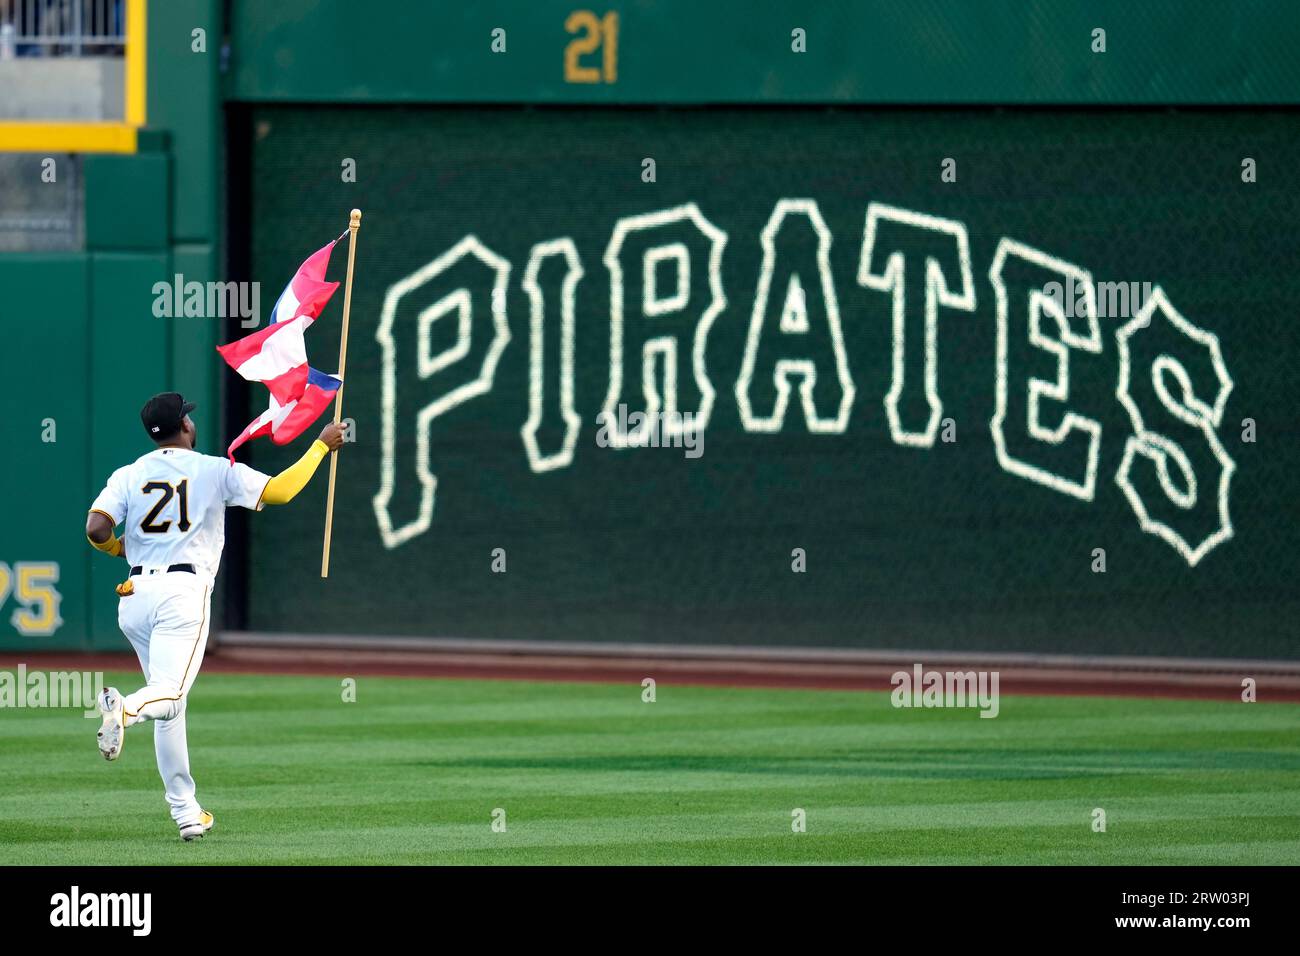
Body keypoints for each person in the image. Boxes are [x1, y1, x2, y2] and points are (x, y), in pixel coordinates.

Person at [85, 391, 345, 841]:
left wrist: (118, 548)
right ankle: (122, 709)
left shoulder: (128, 474)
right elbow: (279, 491)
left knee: (171, 708)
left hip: (134, 594)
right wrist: (321, 445)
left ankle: (186, 813)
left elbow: (96, 528)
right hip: (181, 593)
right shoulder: (213, 468)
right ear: (185, 427)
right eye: (188, 417)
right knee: (165, 695)